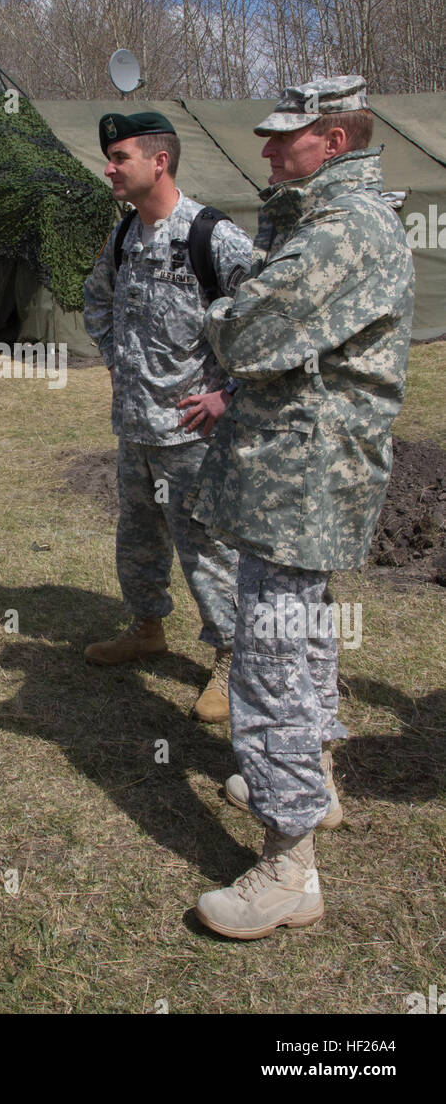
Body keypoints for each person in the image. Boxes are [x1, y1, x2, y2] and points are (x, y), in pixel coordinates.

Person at [191, 75, 414, 938]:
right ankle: (312, 788)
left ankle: (287, 868)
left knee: (271, 657)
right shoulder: (321, 221)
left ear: (338, 141)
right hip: (300, 471)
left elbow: (248, 333)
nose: (269, 149)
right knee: (303, 631)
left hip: (303, 475)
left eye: (289, 137)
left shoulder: (345, 231)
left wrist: (217, 315)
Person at [83, 112, 253, 721]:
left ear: (159, 161)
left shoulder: (214, 238)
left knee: (207, 550)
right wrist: (116, 361)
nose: (108, 166)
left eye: (119, 155)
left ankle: (233, 660)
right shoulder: (124, 236)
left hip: (193, 436)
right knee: (138, 536)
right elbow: (95, 299)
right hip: (134, 428)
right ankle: (147, 627)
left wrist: (229, 392)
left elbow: (273, 325)